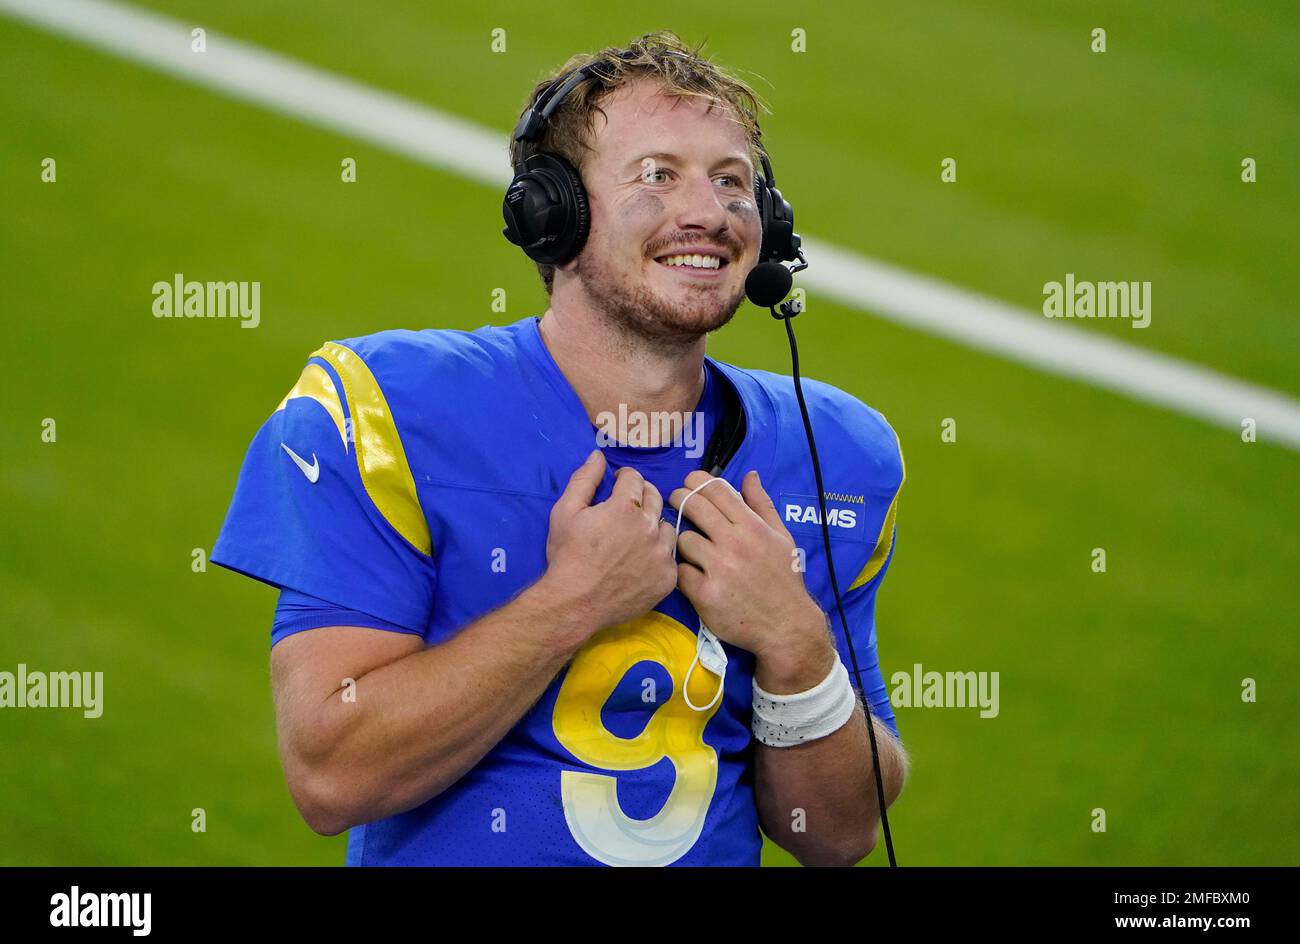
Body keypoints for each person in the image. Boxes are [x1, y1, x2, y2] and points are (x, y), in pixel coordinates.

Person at [212, 31, 908, 866]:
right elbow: (331, 776)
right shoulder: (388, 410)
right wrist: (568, 605)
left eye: (732, 181)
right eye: (657, 175)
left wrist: (798, 649)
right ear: (550, 212)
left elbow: (837, 835)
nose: (709, 213)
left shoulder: (834, 452)